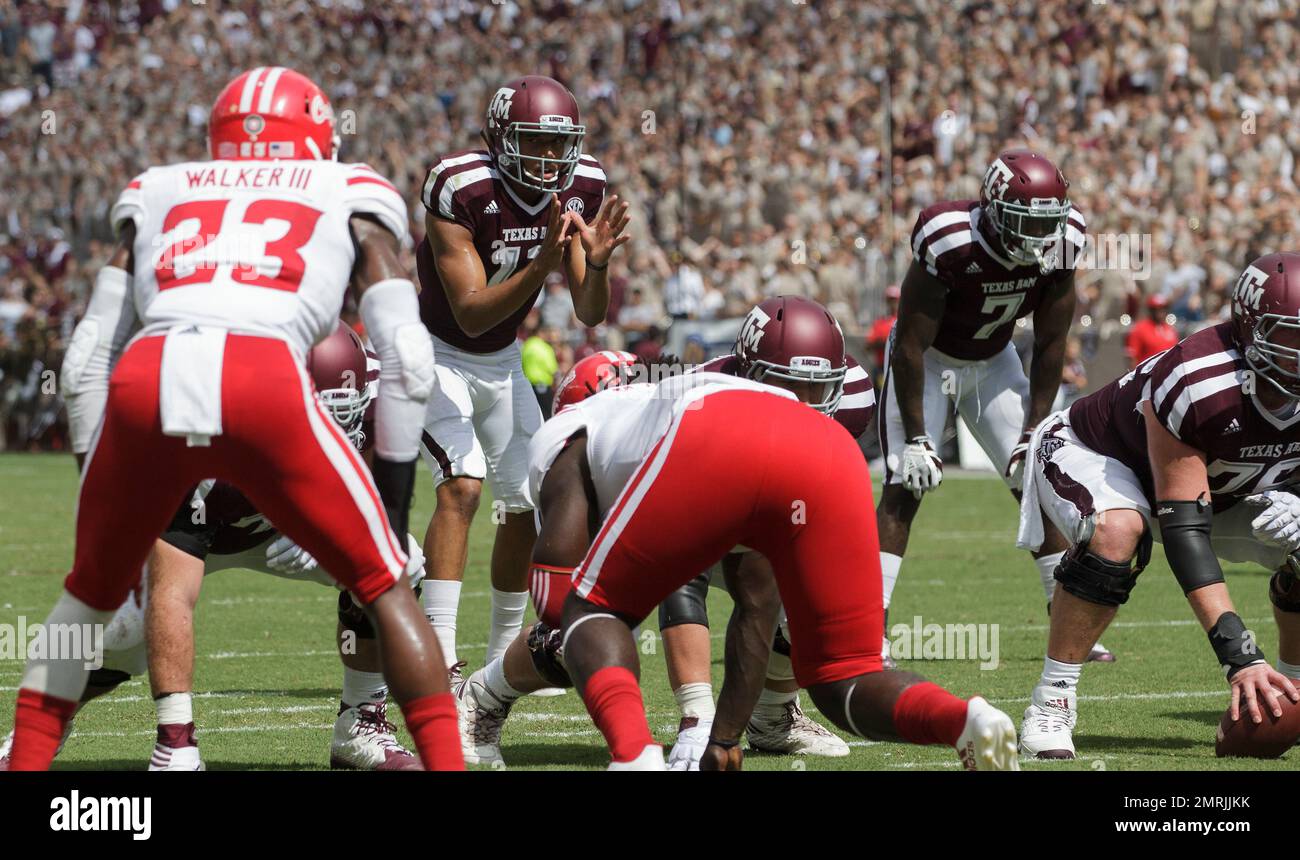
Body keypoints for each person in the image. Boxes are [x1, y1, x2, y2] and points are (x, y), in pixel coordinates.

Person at [7, 67, 461, 771]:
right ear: (315, 136)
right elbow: (409, 354)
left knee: (86, 600)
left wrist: (100, 497)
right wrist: (394, 515)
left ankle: (28, 758)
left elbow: (83, 362)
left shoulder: (160, 185)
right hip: (261, 378)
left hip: (150, 374)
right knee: (388, 579)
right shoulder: (349, 188)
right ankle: (445, 761)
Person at [1, 325, 426, 771]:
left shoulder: (378, 387)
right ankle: (43, 722)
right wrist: (176, 738)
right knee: (122, 635)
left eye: (344, 416)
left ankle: (360, 725)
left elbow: (381, 499)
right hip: (199, 528)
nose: (336, 433)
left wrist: (335, 539)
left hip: (294, 525)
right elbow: (173, 588)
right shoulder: (202, 426)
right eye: (319, 419)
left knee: (400, 563)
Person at [549, 372, 1019, 770]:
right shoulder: (724, 394)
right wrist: (725, 740)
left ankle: (634, 756)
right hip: (829, 448)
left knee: (591, 608)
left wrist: (579, 618)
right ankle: (961, 718)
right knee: (845, 675)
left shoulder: (564, 435)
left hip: (716, 437)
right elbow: (756, 604)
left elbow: (556, 604)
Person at [1015, 252, 1300, 758]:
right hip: (1096, 454)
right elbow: (1185, 530)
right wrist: (1240, 656)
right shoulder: (1202, 381)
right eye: (1293, 335)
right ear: (1253, 328)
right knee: (1119, 532)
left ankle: (1294, 692)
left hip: (1218, 489)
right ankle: (1052, 699)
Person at [415, 75, 630, 676]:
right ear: (499, 139)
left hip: (502, 358)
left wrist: (600, 264)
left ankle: (501, 653)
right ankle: (436, 652)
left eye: (557, 145)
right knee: (462, 484)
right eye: (533, 144)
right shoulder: (460, 184)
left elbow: (591, 311)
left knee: (522, 501)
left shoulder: (583, 183)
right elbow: (471, 310)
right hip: (437, 351)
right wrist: (542, 264)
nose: (548, 159)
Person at [879, 149, 1112, 663]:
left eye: (1045, 224)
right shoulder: (950, 238)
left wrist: (1034, 429)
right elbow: (912, 345)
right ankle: (871, 629)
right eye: (1025, 223)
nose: (1036, 238)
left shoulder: (1064, 241)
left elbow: (1052, 343)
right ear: (993, 209)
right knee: (903, 485)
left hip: (993, 361)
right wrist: (919, 438)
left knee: (1034, 479)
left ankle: (1067, 620)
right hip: (931, 361)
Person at [1126, 293, 1179, 368]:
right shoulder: (1139, 328)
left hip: (1167, 374)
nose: (1160, 312)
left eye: (1163, 309)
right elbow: (1132, 357)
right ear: (1151, 310)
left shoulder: (1170, 329)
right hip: (1147, 375)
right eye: (1156, 309)